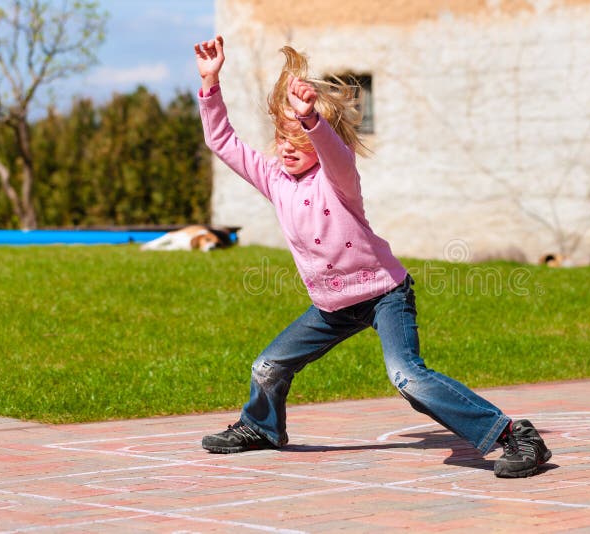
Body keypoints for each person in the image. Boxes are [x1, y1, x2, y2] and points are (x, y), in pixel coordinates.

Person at [193, 35, 551, 478]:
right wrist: (210, 84)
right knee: (267, 365)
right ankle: (261, 427)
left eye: (298, 136)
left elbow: (333, 153)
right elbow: (223, 141)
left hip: (384, 293)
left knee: (408, 378)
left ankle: (515, 435)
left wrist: (310, 119)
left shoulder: (339, 178)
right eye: (281, 134)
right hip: (331, 307)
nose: (287, 145)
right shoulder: (274, 180)